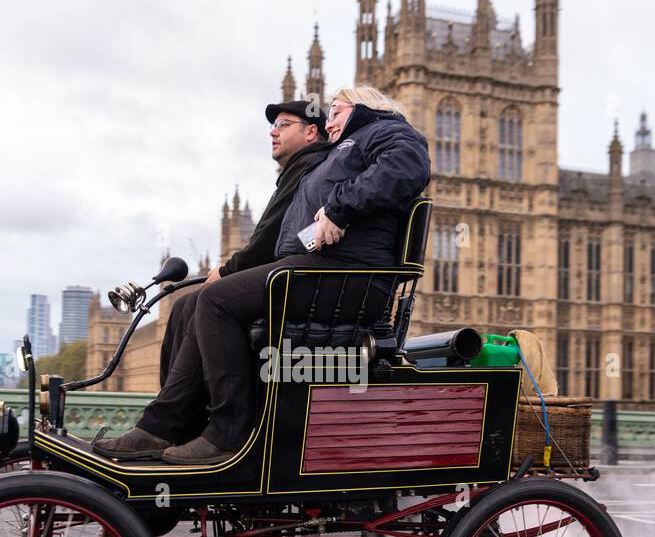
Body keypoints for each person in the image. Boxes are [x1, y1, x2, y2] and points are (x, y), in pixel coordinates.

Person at [96, 85, 431, 465]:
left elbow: (407, 167)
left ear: (367, 108)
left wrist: (338, 210)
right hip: (325, 269)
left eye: (336, 112)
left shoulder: (391, 133)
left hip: (348, 279)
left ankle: (227, 434)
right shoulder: (345, 149)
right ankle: (165, 426)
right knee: (199, 302)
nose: (330, 121)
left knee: (215, 300)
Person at [155, 100, 332, 387]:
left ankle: (191, 415)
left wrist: (228, 271)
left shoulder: (310, 170)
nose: (273, 133)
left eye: (283, 125)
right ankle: (170, 408)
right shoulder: (300, 170)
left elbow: (272, 238)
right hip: (286, 276)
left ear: (311, 132)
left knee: (206, 301)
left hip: (296, 283)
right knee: (183, 306)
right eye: (273, 126)